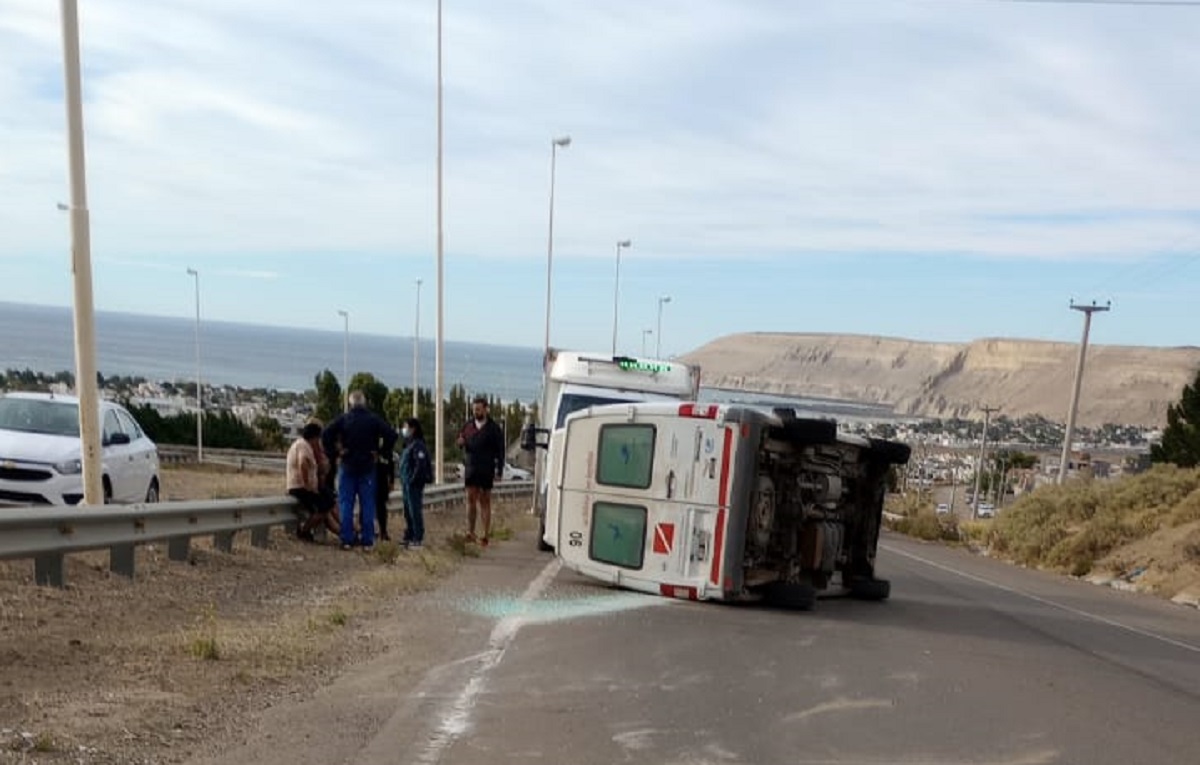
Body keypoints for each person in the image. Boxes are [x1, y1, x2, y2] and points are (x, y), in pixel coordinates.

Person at [322, 390, 398, 551]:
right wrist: (381, 452)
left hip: (348, 465)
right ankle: (367, 540)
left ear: (350, 403)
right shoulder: (373, 419)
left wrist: (336, 452)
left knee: (346, 504)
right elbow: (391, 435)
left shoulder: (344, 419)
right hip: (368, 466)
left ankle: (347, 539)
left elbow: (326, 433)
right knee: (368, 504)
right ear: (364, 403)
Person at [456, 396, 505, 547]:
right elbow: (460, 440)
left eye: (478, 409)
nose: (475, 411)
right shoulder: (468, 425)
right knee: (470, 499)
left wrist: (499, 470)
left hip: (486, 469)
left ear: (485, 409)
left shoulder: (494, 428)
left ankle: (485, 535)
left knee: (484, 501)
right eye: (474, 409)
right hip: (471, 468)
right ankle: (470, 532)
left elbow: (500, 451)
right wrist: (460, 442)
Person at [286, 422, 337, 541]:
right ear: (314, 437)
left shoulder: (301, 444)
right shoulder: (304, 446)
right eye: (318, 438)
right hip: (300, 487)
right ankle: (304, 530)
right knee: (322, 509)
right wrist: (307, 484)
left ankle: (306, 531)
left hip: (300, 486)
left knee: (327, 504)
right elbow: (303, 462)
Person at [398, 417, 433, 549]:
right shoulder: (408, 444)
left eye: (406, 427)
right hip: (406, 483)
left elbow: (420, 465)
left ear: (413, 429)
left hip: (413, 484)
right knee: (408, 511)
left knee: (414, 511)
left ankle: (418, 537)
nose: (404, 430)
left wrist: (413, 479)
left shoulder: (418, 445)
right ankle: (409, 535)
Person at [375, 445, 397, 542]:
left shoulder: (387, 450)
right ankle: (375, 531)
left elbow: (391, 465)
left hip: (381, 480)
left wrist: (391, 481)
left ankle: (382, 531)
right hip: (372, 479)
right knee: (372, 507)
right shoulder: (370, 444)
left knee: (381, 508)